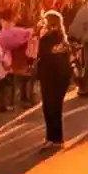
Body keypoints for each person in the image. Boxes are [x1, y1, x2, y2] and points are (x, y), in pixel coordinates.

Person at [35, 11, 73, 150]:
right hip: (60, 77)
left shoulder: (47, 39)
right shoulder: (63, 40)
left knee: (50, 107)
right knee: (55, 107)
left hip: (50, 76)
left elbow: (41, 56)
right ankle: (55, 137)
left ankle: (53, 137)